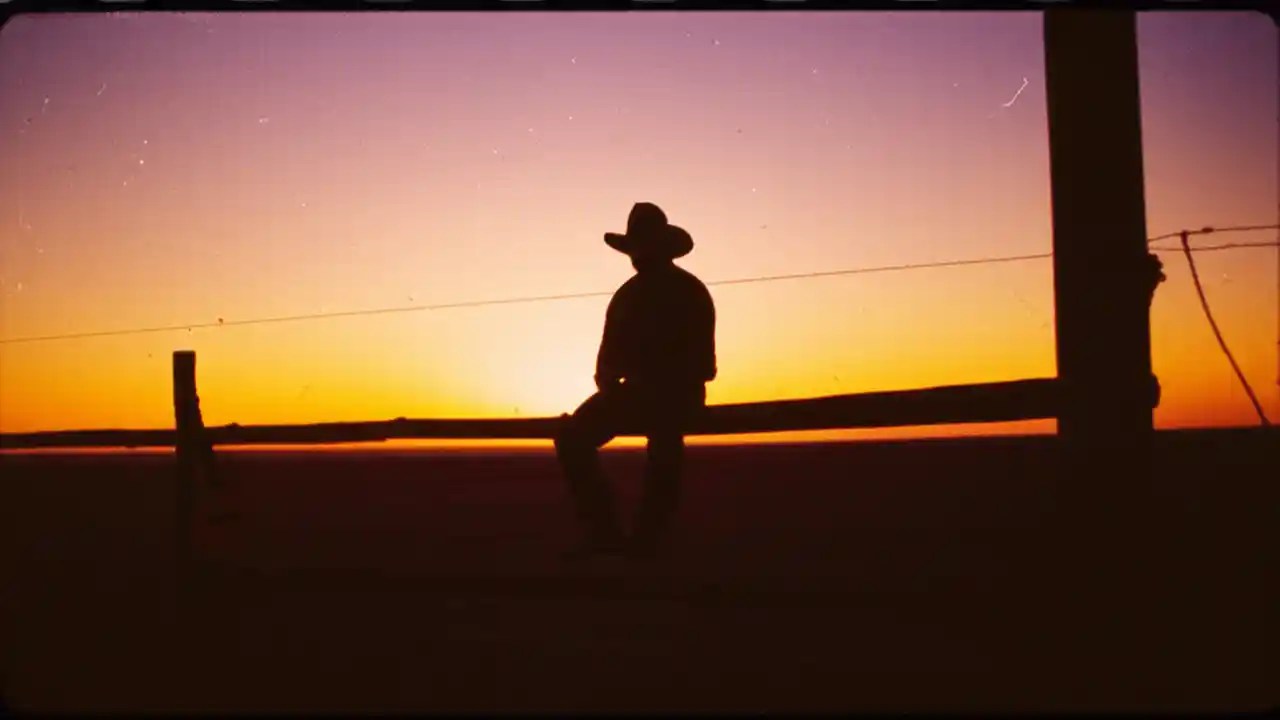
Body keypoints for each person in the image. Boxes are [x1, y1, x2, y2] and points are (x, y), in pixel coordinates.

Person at [555, 202, 717, 560]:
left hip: (668, 395)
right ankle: (630, 537)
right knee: (583, 438)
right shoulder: (679, 291)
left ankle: (621, 535)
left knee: (584, 438)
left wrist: (627, 387)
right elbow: (608, 366)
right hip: (666, 395)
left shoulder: (643, 295)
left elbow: (608, 368)